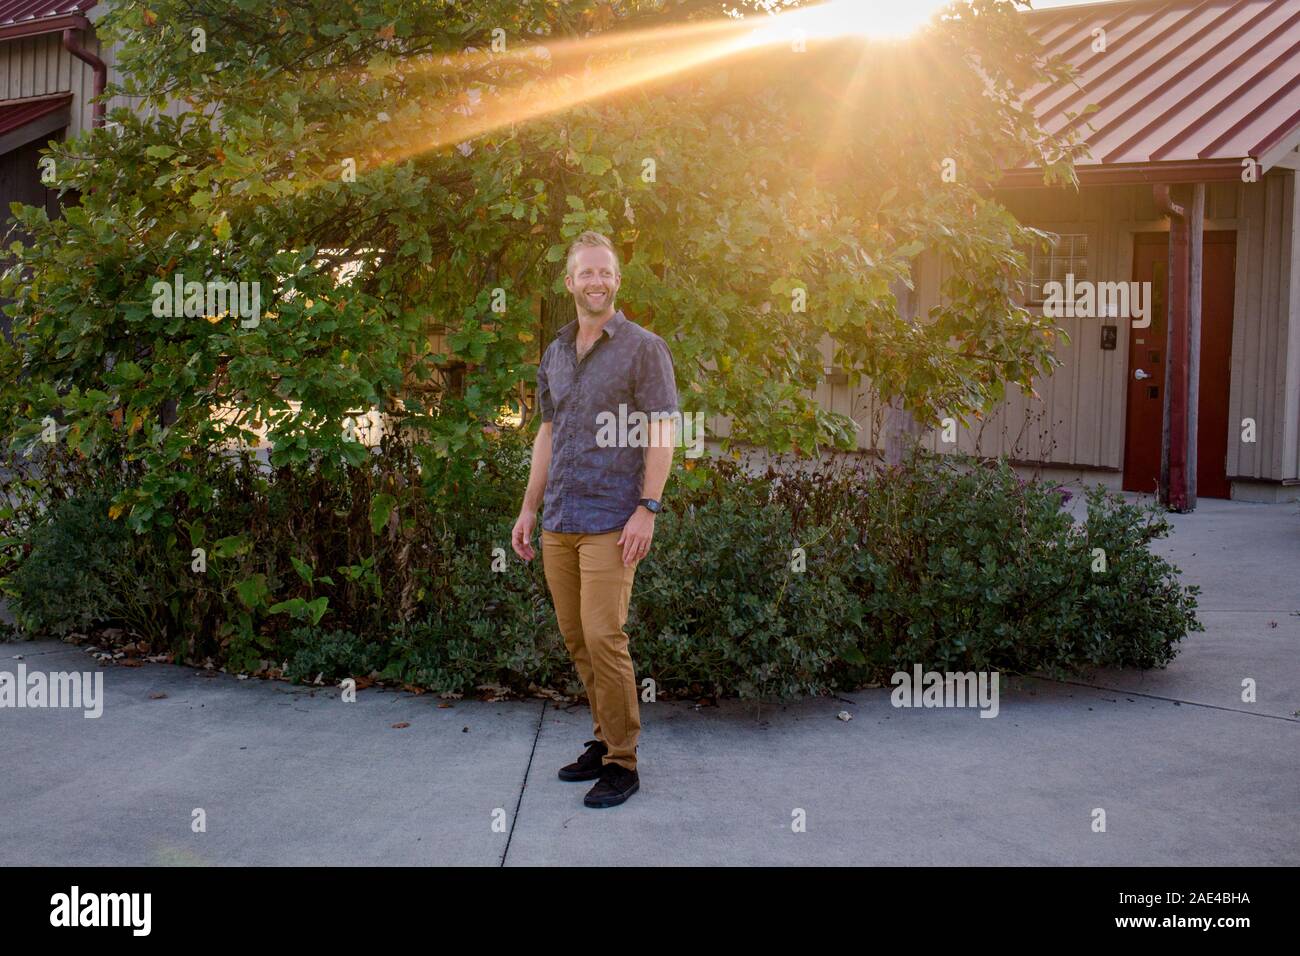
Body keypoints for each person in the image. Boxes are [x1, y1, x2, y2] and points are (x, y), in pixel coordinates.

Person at [511, 230, 678, 809]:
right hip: (560, 518)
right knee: (578, 639)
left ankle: (623, 763)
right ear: (570, 282)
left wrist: (648, 508)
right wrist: (530, 506)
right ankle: (604, 739)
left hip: (613, 519)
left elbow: (663, 430)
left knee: (606, 637)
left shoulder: (643, 348)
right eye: (586, 273)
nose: (596, 281)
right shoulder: (556, 351)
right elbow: (547, 434)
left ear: (617, 280)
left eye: (605, 272)